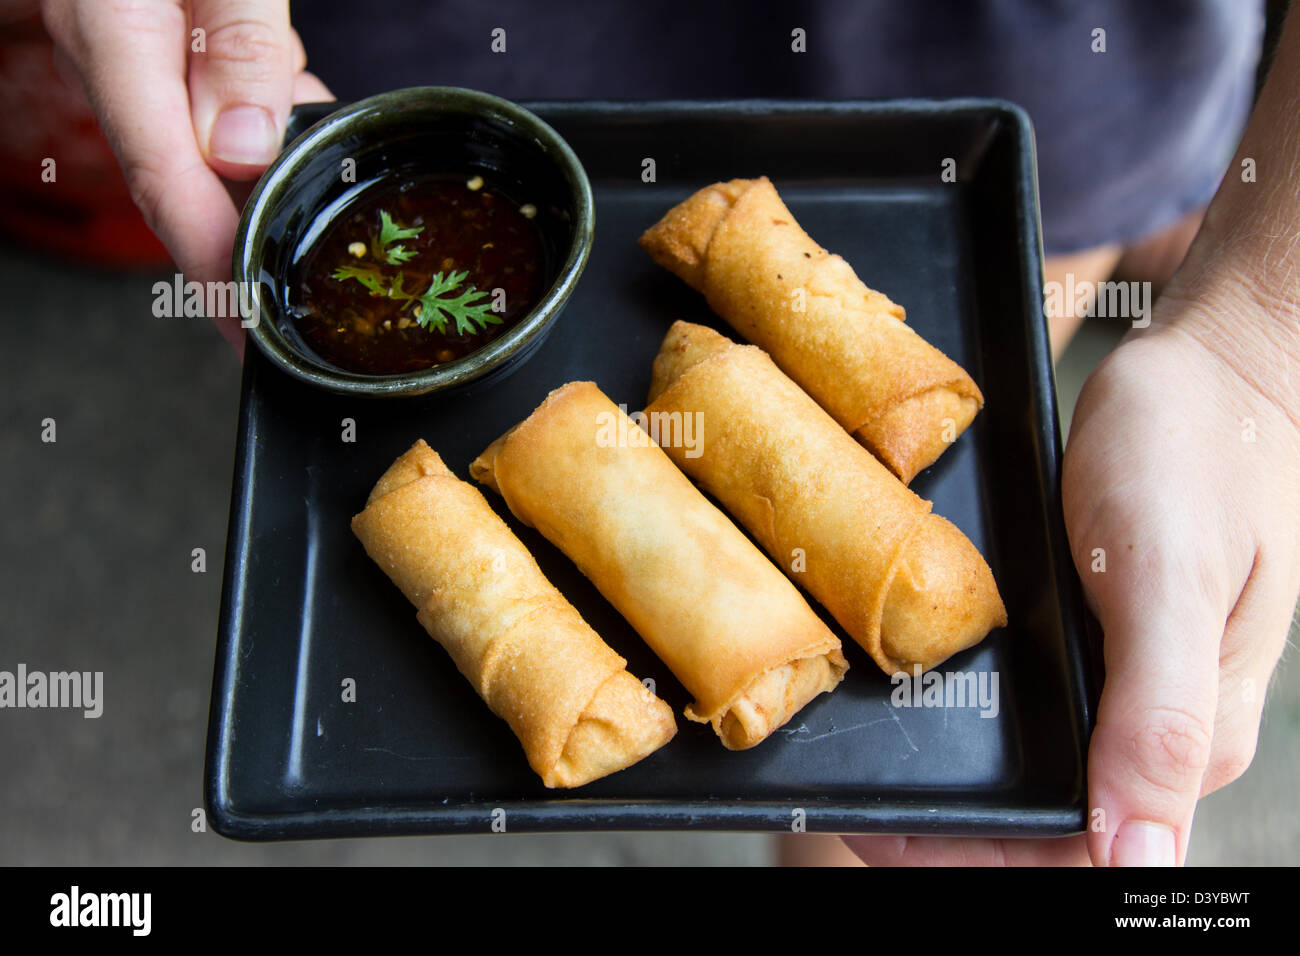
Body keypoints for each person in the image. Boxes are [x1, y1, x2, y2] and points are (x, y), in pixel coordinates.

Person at [33, 0, 1300, 866]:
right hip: (420, 54)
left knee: (880, 829)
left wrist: (1258, 344)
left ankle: (832, 827)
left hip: (1031, 47)